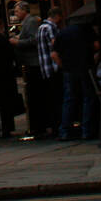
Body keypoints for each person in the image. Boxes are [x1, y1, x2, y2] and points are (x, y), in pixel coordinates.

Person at [54, 16, 96, 140]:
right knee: (88, 98)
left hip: (69, 69)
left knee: (69, 99)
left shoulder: (62, 33)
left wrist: (64, 66)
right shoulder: (86, 30)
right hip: (84, 67)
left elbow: (54, 54)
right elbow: (97, 45)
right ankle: (86, 130)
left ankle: (64, 131)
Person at [11, 1, 43, 137]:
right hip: (28, 62)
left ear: (24, 10)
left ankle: (37, 126)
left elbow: (33, 40)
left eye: (17, 11)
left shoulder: (30, 22)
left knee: (34, 95)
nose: (16, 13)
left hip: (32, 63)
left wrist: (17, 42)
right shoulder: (27, 22)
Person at [35, 7, 63, 138]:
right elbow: (55, 46)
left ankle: (54, 126)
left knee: (51, 100)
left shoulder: (41, 28)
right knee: (57, 99)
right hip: (53, 69)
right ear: (57, 16)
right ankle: (59, 127)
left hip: (45, 69)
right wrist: (62, 64)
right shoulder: (50, 28)